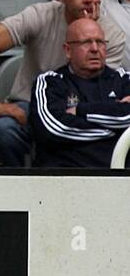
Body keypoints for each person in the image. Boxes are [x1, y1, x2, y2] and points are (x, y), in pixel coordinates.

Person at [0, 0, 125, 167]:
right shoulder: (41, 15)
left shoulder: (111, 34)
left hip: (83, 106)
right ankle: (15, 186)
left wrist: (90, 29)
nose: (89, 0)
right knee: (5, 129)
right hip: (32, 104)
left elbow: (101, 92)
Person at [30, 17, 130, 168]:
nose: (95, 49)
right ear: (68, 50)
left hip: (120, 179)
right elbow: (53, 129)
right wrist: (116, 130)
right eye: (86, 42)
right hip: (65, 177)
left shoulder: (123, 80)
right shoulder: (50, 82)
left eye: (100, 42)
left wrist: (81, 110)